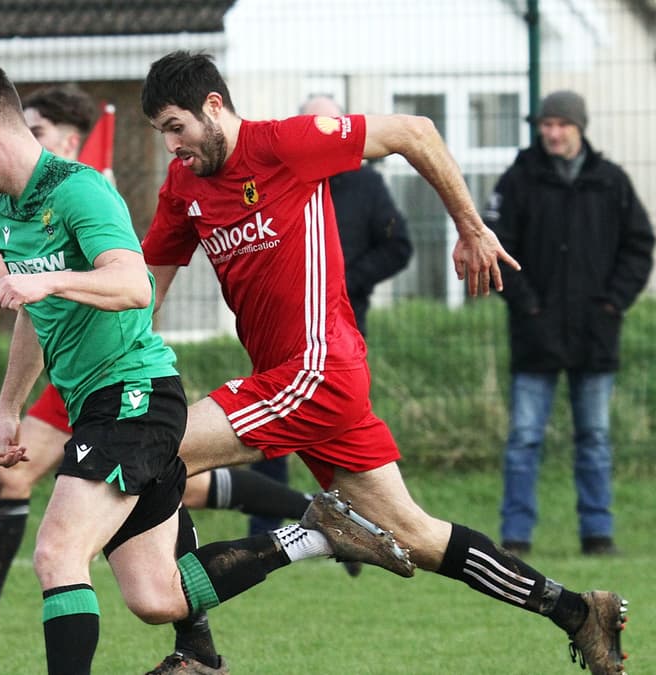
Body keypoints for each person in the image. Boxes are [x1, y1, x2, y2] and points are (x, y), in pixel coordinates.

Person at [140, 51, 627, 674]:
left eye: (176, 127)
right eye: (161, 134)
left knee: (160, 452)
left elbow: (413, 131)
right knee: (418, 536)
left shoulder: (284, 144)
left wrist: (471, 226)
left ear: (213, 107)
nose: (171, 146)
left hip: (316, 370)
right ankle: (578, 611)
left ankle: (198, 649)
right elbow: (149, 289)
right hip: (298, 382)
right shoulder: (185, 187)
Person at [0, 63, 412, 675]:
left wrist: (48, 278)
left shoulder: (79, 188)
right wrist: (7, 408)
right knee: (157, 598)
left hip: (132, 396)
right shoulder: (7, 210)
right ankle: (318, 533)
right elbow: (34, 312)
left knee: (56, 554)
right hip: (98, 404)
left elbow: (133, 284)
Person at [484, 90, 653, 558]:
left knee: (595, 438)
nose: (552, 133)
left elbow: (639, 247)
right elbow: (493, 245)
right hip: (534, 333)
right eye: (546, 124)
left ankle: (598, 534)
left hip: (595, 333)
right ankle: (515, 537)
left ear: (580, 127)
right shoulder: (518, 180)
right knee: (523, 439)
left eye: (562, 124)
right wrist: (527, 307)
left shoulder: (611, 181)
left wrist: (613, 304)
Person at [248, 93, 413, 535]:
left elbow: (398, 246)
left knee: (338, 431)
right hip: (280, 335)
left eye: (329, 128)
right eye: (309, 128)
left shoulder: (366, 185)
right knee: (270, 433)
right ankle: (268, 523)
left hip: (342, 331)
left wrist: (347, 281)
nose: (319, 139)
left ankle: (354, 525)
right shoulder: (275, 181)